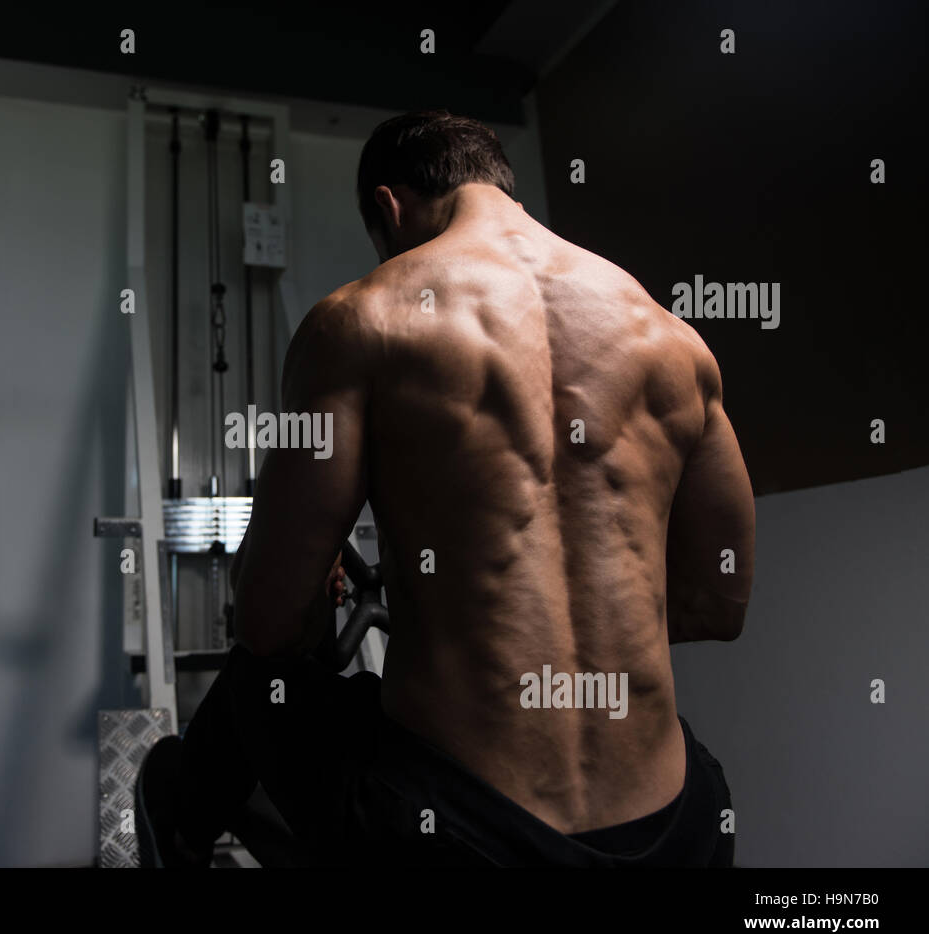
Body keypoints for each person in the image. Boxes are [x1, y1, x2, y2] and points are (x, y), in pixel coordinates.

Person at [136, 109, 753, 867]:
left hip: (459, 836)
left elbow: (266, 615)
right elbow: (720, 604)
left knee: (253, 680)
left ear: (390, 209)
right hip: (676, 834)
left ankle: (176, 814)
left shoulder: (363, 319)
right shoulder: (675, 340)